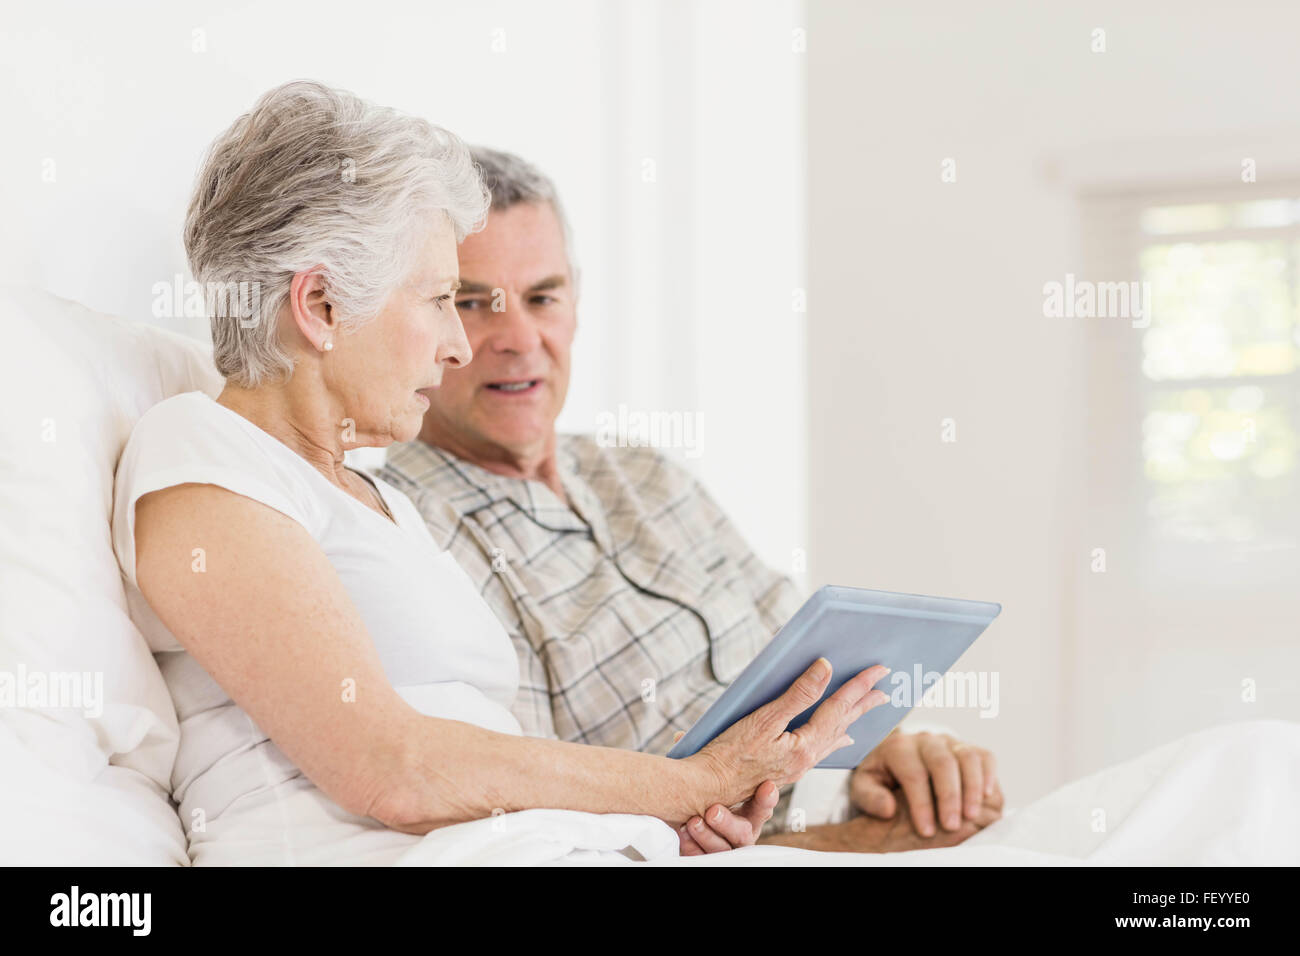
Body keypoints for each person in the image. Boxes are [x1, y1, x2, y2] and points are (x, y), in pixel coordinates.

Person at [111, 80, 888, 865]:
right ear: (319, 305)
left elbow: (493, 761)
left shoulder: (376, 501)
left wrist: (661, 824)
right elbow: (392, 770)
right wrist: (690, 782)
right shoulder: (204, 451)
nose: (457, 346)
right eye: (445, 301)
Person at [380, 147, 1005, 853]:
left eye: (544, 297)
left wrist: (887, 762)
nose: (522, 340)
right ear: (423, 319)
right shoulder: (405, 533)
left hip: (837, 817)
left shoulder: (644, 471)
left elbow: (808, 659)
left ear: (577, 308)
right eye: (472, 303)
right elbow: (528, 822)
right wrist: (846, 841)